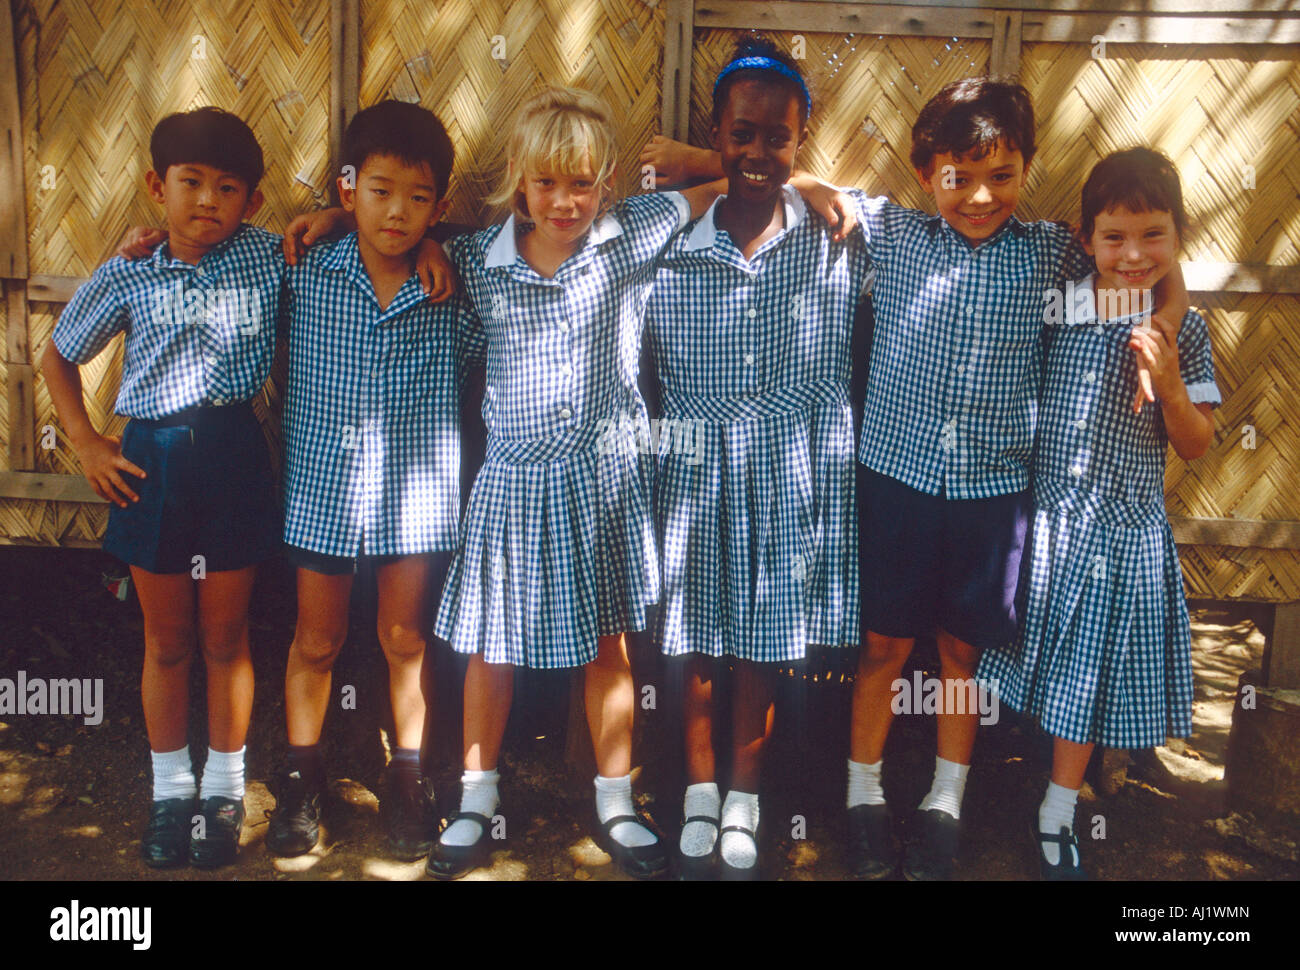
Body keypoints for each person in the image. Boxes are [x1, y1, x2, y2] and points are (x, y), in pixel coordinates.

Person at [642, 37, 870, 880]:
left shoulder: (840, 232)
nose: (758, 153)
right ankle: (699, 792)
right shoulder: (666, 238)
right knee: (696, 644)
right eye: (741, 135)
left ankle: (745, 794)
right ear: (716, 131)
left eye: (780, 140)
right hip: (695, 467)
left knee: (763, 644)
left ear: (802, 142)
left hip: (790, 472)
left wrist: (807, 183)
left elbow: (955, 230)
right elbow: (540, 230)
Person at [41, 107, 282, 869]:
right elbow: (58, 355)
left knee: (225, 636)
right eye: (191, 183)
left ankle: (224, 788)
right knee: (168, 640)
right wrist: (84, 443)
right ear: (157, 185)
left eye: (228, 188)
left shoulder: (270, 257)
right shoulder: (128, 272)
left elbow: (347, 231)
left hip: (234, 452)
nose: (208, 200)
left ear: (253, 201)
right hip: (151, 462)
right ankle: (171, 791)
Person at [977, 147, 1218, 879]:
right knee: (1032, 666)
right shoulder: (1070, 302)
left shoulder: (1186, 332)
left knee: (1084, 676)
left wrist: (1170, 380)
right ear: (1085, 241)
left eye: (1154, 235)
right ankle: (1002, 783)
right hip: (1048, 522)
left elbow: (1198, 444)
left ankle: (1057, 808)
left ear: (1178, 237)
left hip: (1121, 531)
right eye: (1114, 237)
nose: (1134, 254)